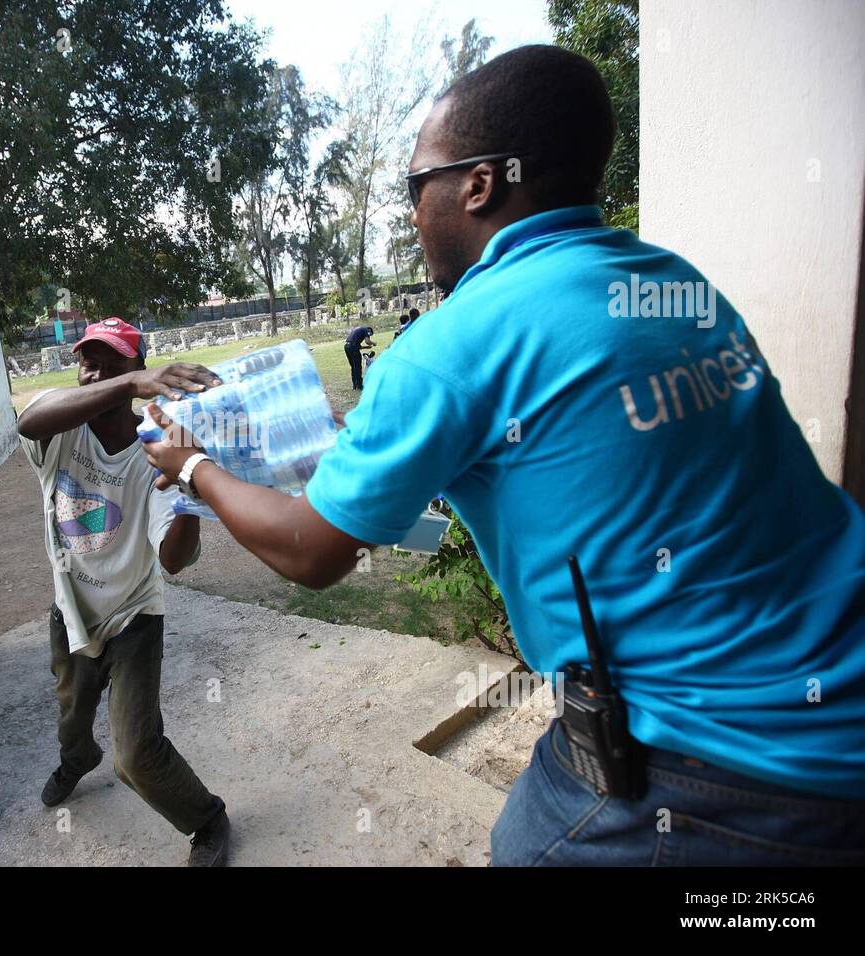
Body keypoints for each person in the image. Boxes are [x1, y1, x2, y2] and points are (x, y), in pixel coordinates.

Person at [142, 45, 865, 865]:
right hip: (846, 687)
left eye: (418, 186)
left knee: (527, 845)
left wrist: (195, 468)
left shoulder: (453, 343)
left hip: (721, 762)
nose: (413, 213)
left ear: (480, 184)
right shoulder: (672, 281)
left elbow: (311, 551)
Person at [16, 317, 232, 866]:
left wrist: (188, 498)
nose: (95, 375)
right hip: (70, 612)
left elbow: (175, 562)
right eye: (89, 363)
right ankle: (76, 757)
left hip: (134, 617)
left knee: (135, 755)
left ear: (142, 367)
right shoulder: (60, 430)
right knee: (71, 715)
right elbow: (28, 420)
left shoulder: (156, 450)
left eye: (115, 365)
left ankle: (207, 819)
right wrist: (124, 385)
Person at [344, 323, 375, 389]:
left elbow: (354, 344)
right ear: (369, 331)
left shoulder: (358, 329)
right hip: (353, 347)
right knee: (357, 367)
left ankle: (355, 385)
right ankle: (359, 386)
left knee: (353, 367)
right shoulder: (366, 330)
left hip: (347, 346)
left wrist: (365, 347)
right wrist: (373, 343)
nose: (369, 336)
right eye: (370, 335)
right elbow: (367, 341)